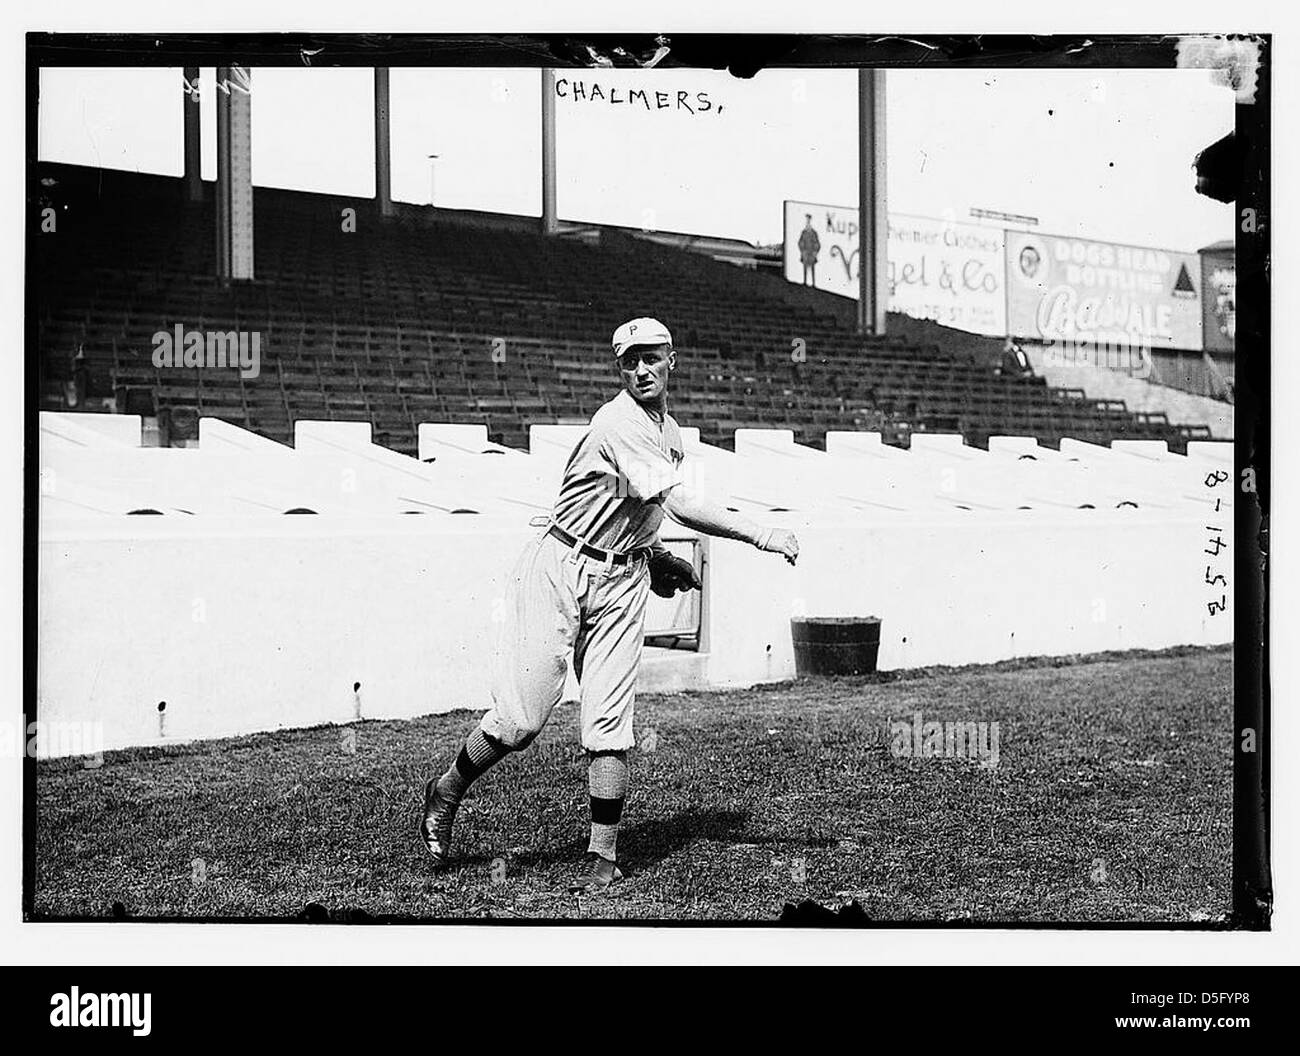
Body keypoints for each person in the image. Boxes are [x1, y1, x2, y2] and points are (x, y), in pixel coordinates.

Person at [419, 317, 800, 893]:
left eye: (651, 358)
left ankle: (603, 855)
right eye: (629, 361)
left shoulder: (668, 431)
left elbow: (642, 514)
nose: (641, 370)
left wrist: (656, 560)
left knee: (609, 720)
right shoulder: (616, 421)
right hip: (561, 566)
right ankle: (447, 788)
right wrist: (759, 534)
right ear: (619, 369)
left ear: (673, 359)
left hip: (623, 580)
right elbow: (676, 505)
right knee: (522, 720)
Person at [798, 214, 821, 286]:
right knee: (805, 267)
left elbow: (817, 243)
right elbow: (800, 242)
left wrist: (815, 252)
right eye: (806, 221)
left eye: (809, 221)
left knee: (812, 268)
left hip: (811, 253)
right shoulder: (803, 233)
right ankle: (805, 281)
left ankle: (813, 283)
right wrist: (802, 251)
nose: (807, 223)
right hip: (805, 253)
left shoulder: (814, 233)